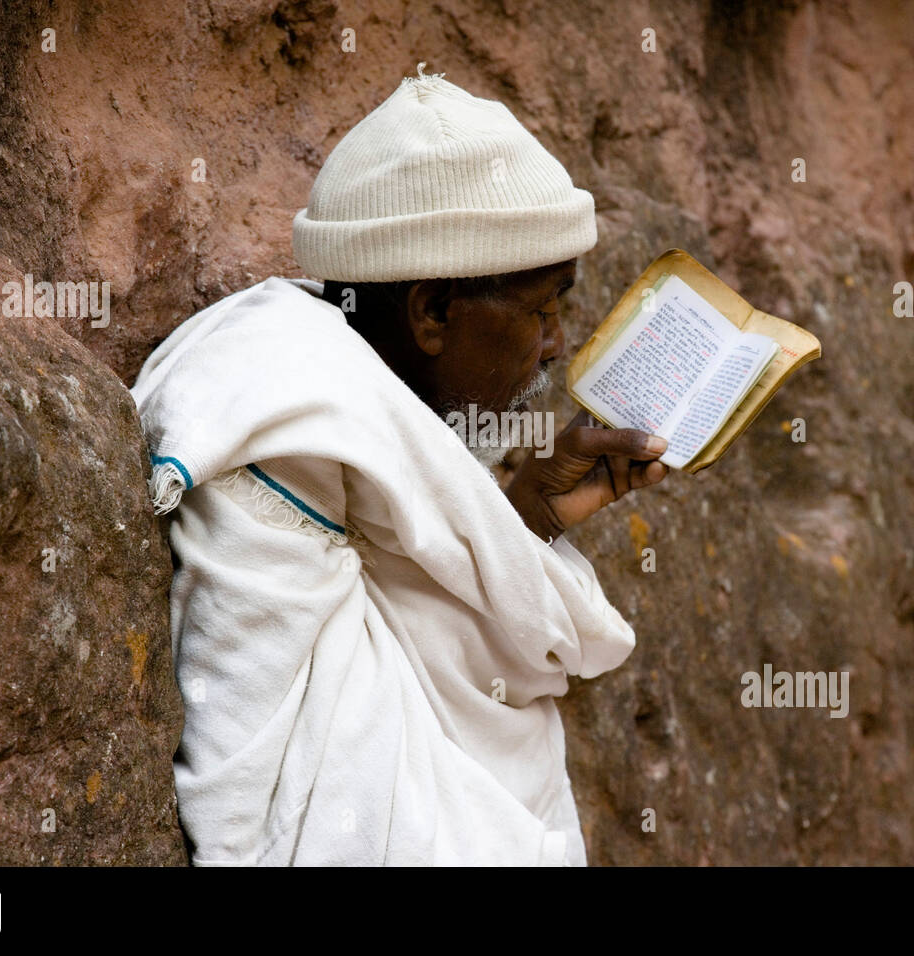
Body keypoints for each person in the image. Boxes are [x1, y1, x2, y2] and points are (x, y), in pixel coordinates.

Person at [130, 64, 669, 865]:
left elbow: (406, 624)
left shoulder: (364, 412)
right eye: (544, 309)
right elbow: (258, 799)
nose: (557, 343)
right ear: (433, 313)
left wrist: (526, 514)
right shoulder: (285, 423)